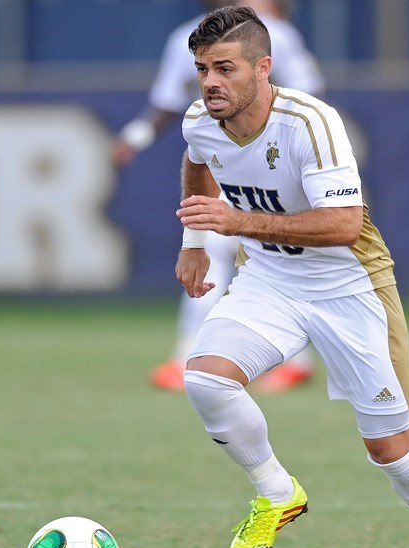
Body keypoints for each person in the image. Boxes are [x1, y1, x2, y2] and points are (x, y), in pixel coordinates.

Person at [174, 7, 409, 548]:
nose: (211, 82)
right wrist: (193, 240)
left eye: (225, 69)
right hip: (269, 281)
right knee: (206, 380)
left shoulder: (310, 122)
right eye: (203, 69)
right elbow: (196, 162)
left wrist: (236, 222)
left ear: (263, 68)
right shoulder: (200, 120)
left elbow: (343, 225)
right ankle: (276, 492)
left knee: (392, 451)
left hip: (350, 288)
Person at [114, 0, 324, 393]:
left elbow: (312, 98)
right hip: (227, 163)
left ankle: (287, 359)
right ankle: (195, 357)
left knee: (281, 254)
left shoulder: (276, 34)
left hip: (278, 161)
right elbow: (165, 103)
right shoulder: (187, 38)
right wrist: (133, 138)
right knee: (212, 246)